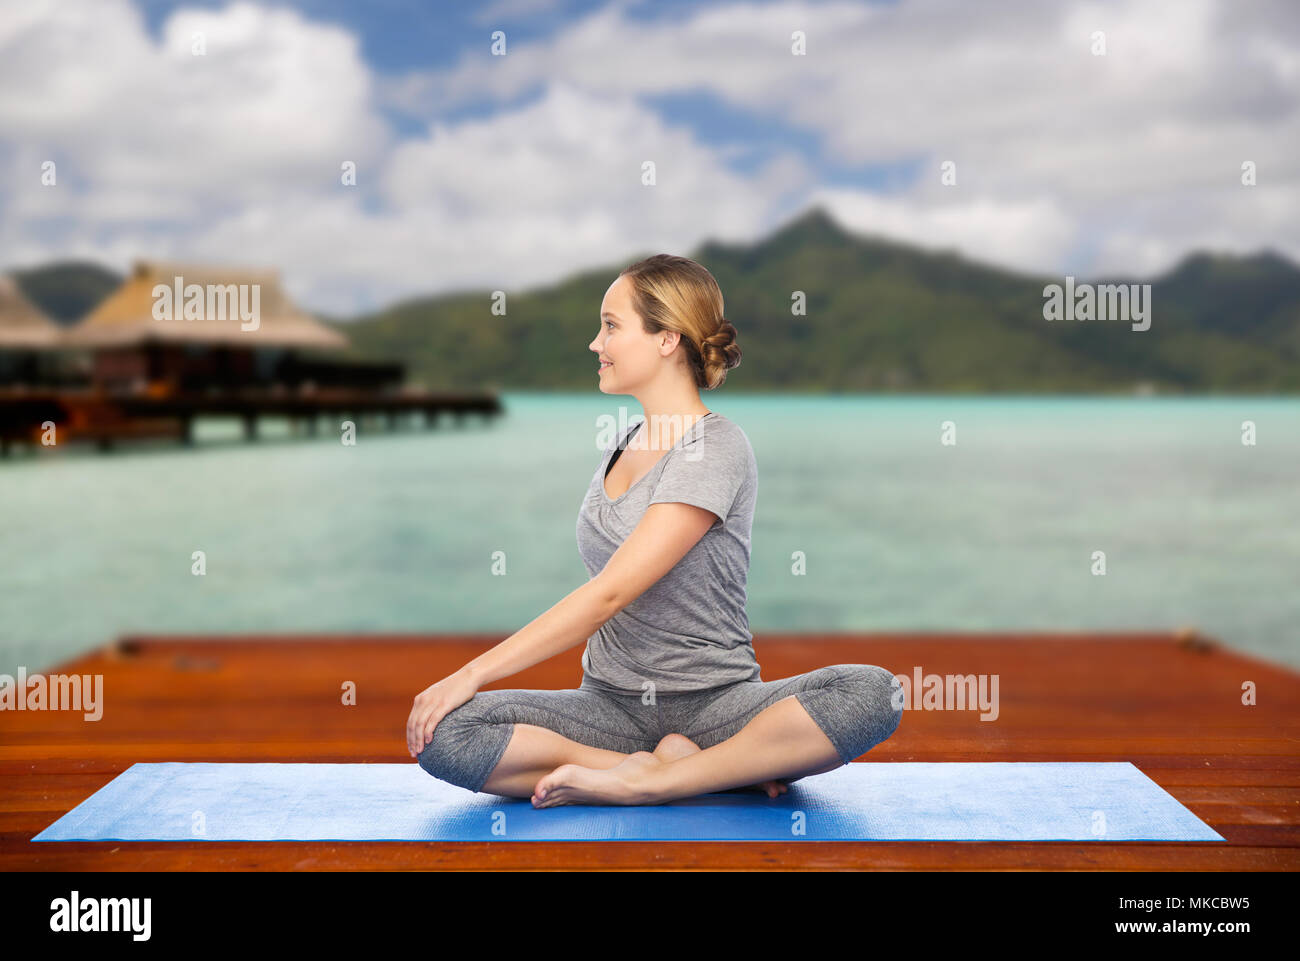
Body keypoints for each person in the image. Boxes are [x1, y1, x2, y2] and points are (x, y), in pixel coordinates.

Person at [408, 253, 903, 807]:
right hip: (608, 708)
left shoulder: (714, 446)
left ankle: (659, 781)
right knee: (445, 734)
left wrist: (472, 672)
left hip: (718, 706)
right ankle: (682, 771)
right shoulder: (619, 444)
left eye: (612, 326)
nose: (596, 344)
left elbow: (612, 591)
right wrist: (465, 692)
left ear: (667, 338)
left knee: (873, 692)